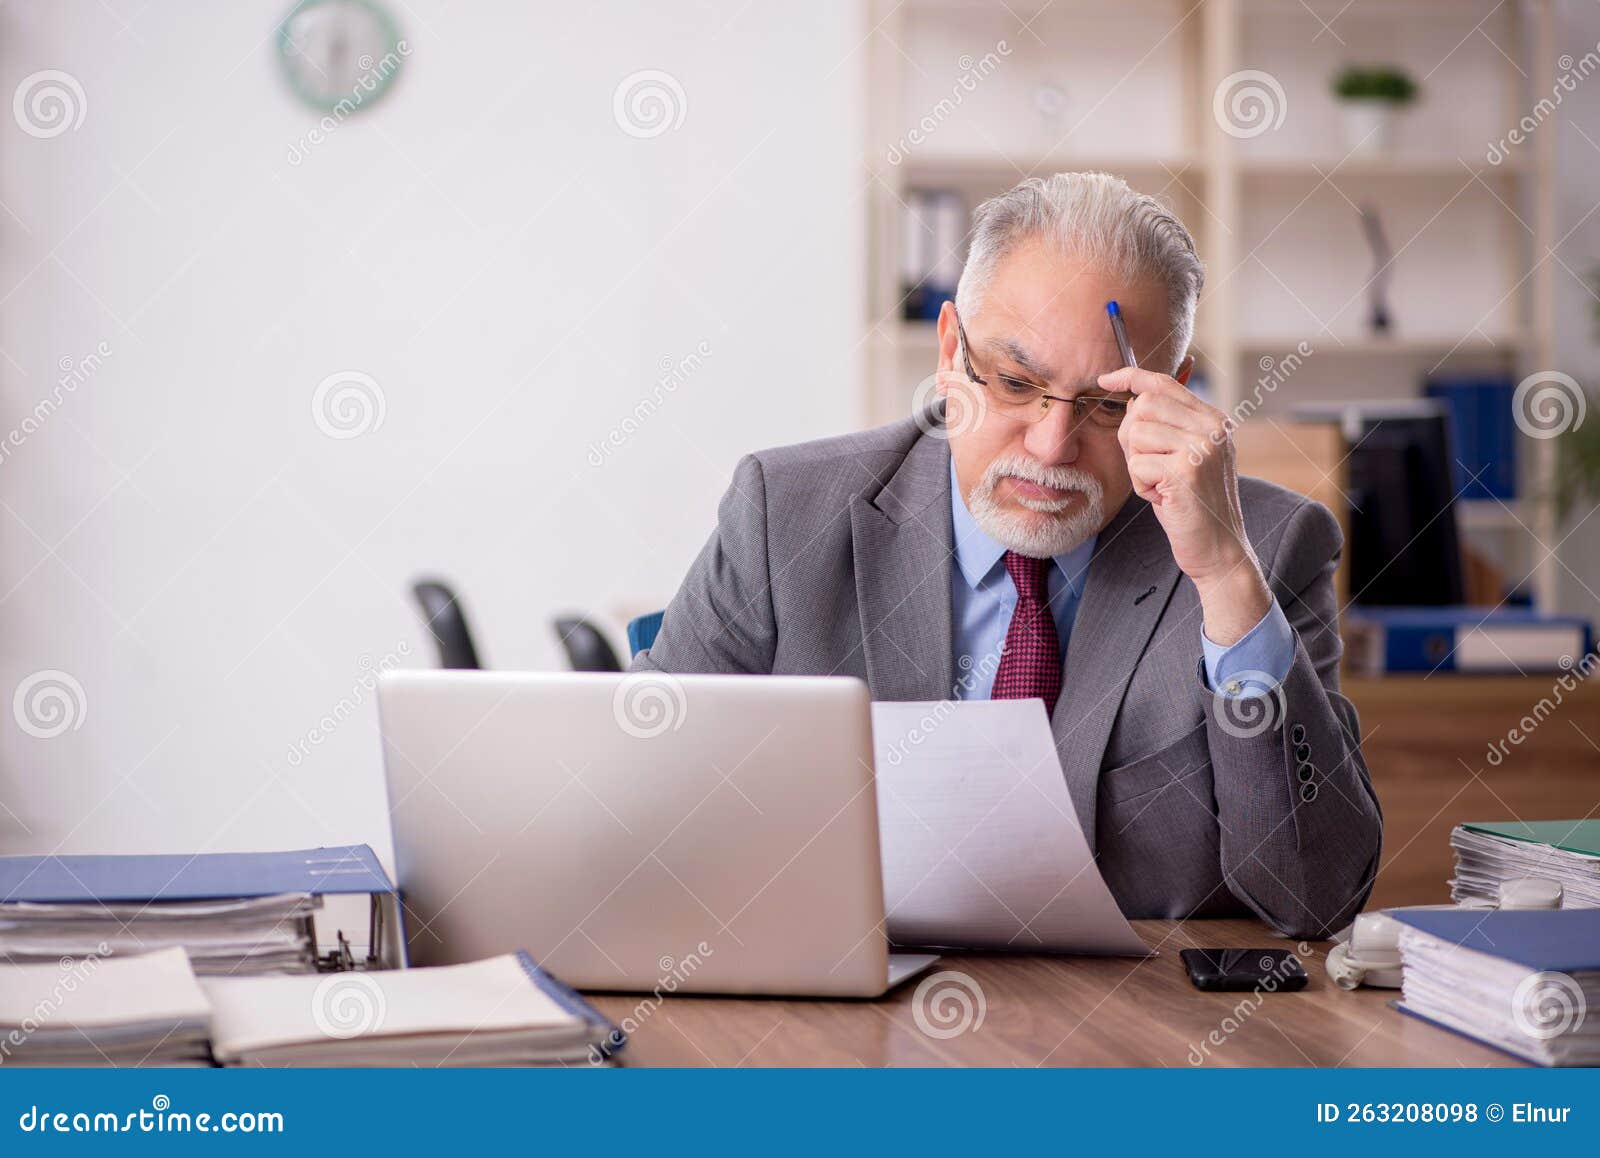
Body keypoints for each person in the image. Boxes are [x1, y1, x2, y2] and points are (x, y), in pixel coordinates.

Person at [634, 171, 1380, 939]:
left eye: (1108, 404)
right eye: (1018, 383)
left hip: (1133, 1043)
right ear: (952, 350)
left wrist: (1226, 579)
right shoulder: (784, 513)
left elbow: (1313, 895)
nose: (1052, 446)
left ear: (1174, 392)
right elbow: (640, 807)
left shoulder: (1265, 548)